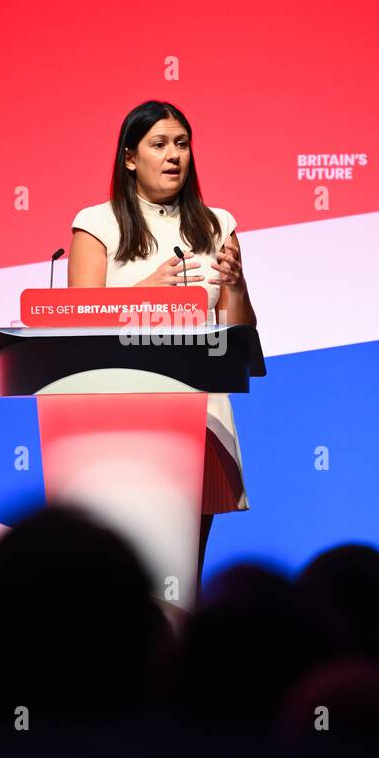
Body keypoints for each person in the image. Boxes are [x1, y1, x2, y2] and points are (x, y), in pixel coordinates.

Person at [68, 100, 257, 577]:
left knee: (181, 580)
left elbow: (239, 333)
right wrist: (143, 291)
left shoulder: (219, 225)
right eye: (159, 145)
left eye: (182, 144)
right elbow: (74, 326)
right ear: (130, 157)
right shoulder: (97, 223)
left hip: (199, 413)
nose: (174, 155)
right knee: (119, 578)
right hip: (121, 415)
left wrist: (234, 285)